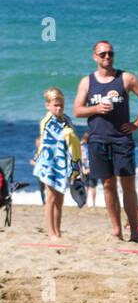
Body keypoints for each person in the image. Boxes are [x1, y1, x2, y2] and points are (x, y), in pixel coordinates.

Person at [73, 40, 138, 241]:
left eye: (110, 53)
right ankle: (117, 228)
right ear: (95, 57)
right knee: (107, 185)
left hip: (121, 139)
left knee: (128, 186)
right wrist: (96, 109)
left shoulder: (125, 78)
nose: (107, 57)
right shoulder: (87, 82)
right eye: (103, 54)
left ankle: (135, 232)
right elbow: (77, 110)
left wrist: (137, 123)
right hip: (97, 140)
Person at [31, 87, 82, 242]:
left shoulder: (66, 119)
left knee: (60, 198)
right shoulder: (46, 122)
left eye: (61, 105)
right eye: (55, 105)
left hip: (62, 163)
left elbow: (72, 140)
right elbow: (48, 144)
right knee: (51, 198)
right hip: (49, 164)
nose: (59, 108)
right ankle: (51, 232)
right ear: (48, 105)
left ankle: (58, 231)